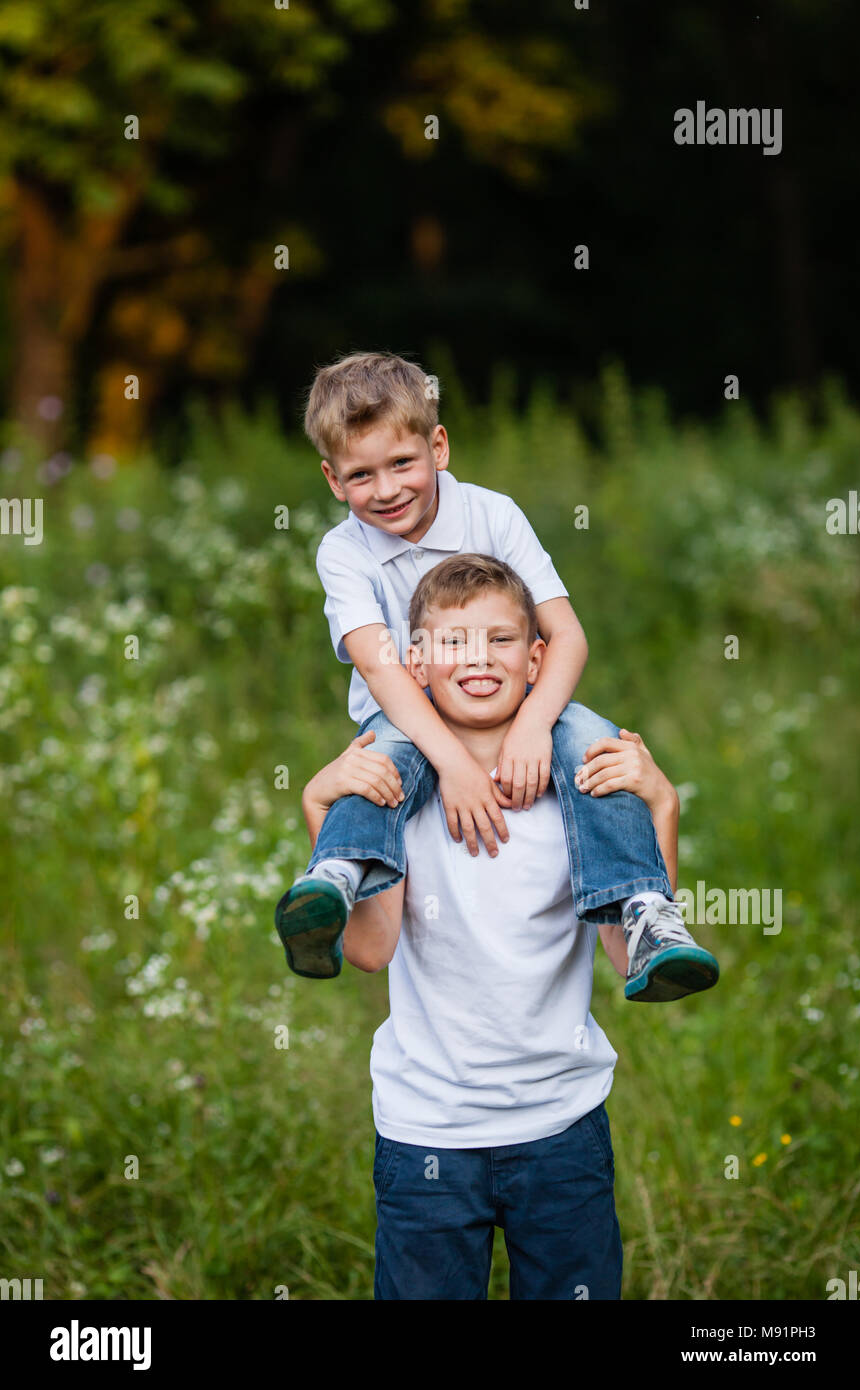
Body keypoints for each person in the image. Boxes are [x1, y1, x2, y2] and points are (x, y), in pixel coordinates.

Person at [299, 555, 696, 1299]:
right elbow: (370, 950)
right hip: (429, 1132)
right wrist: (319, 812)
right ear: (414, 663)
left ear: (537, 658)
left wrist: (663, 808)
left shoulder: (582, 789)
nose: (477, 659)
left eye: (501, 641)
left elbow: (624, 954)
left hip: (561, 1126)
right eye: (452, 643)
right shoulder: (396, 794)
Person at [276, 352, 718, 1003]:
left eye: (402, 464)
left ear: (439, 446)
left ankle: (648, 915)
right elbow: (381, 664)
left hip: (516, 701)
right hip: (402, 710)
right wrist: (452, 763)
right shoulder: (343, 550)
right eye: (361, 475)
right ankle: (337, 881)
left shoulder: (492, 514)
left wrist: (536, 724)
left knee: (598, 749)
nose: (387, 488)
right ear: (333, 480)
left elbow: (565, 635)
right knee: (376, 771)